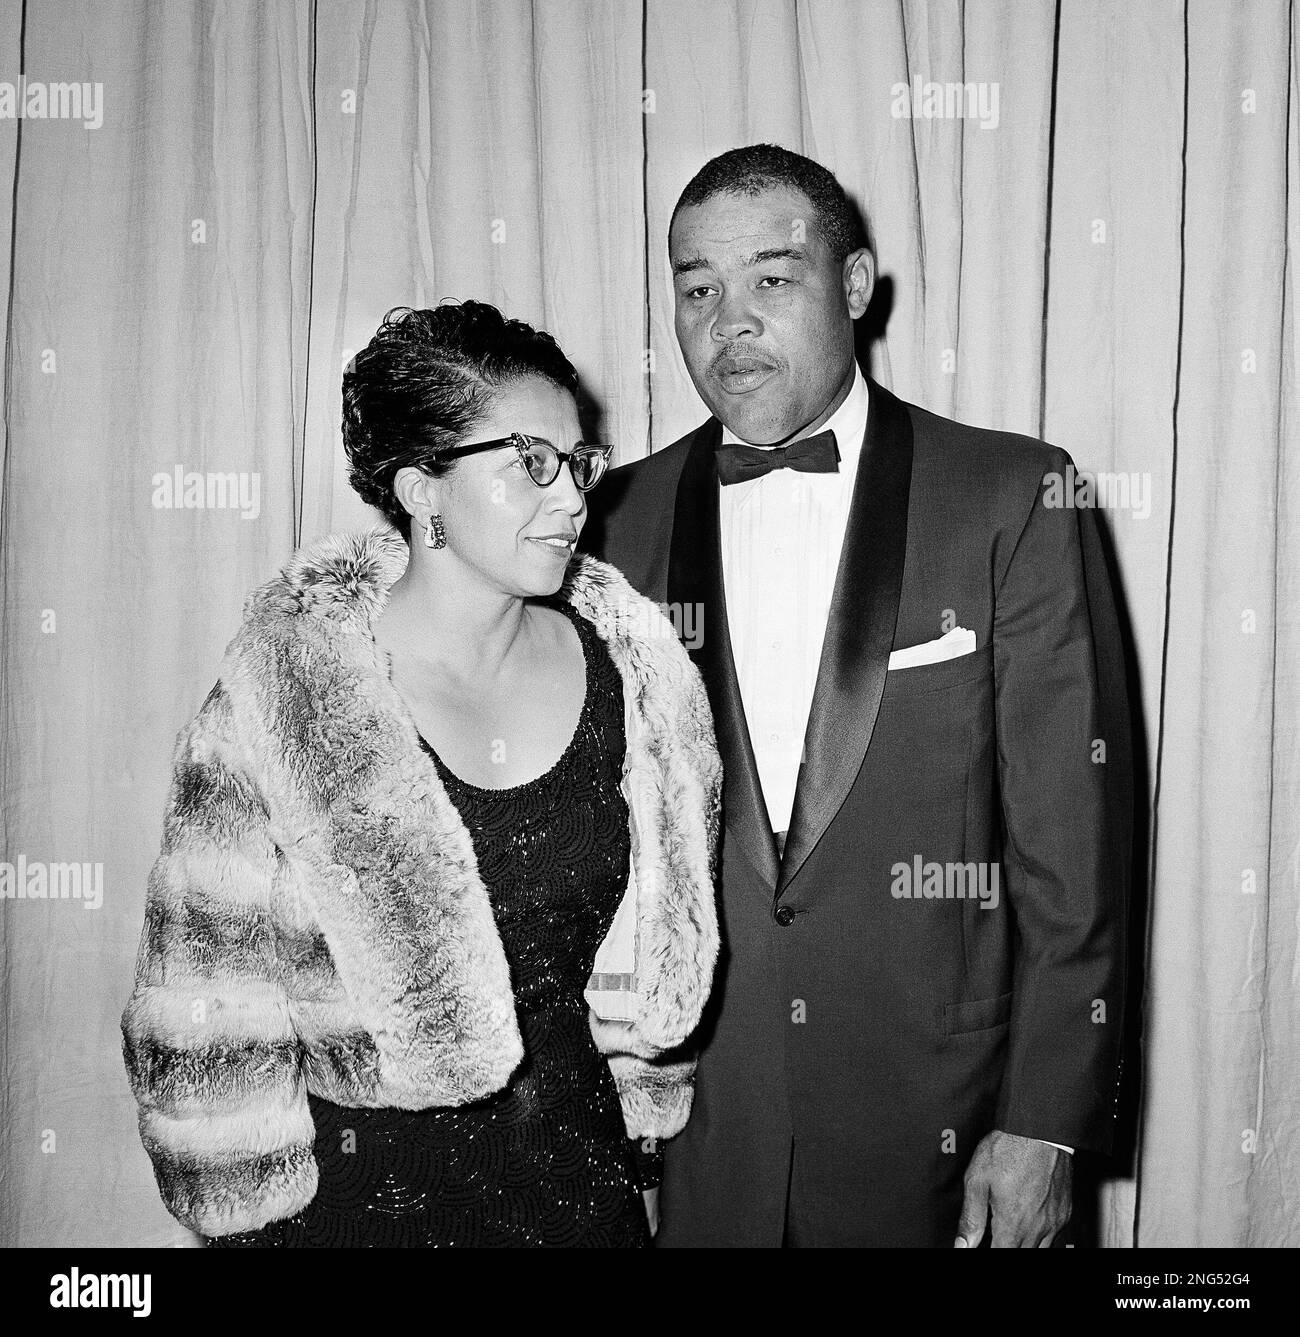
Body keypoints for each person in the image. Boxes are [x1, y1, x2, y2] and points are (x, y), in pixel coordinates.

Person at [584, 144, 1132, 1248]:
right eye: (696, 288)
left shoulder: (1015, 495)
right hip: (698, 1138)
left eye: (770, 279)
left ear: (855, 283)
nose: (727, 319)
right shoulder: (607, 521)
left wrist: (1044, 1125)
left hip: (944, 1129)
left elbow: (1076, 851)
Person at [121, 301, 721, 1247]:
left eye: (579, 463)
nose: (573, 498)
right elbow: (202, 1012)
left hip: (582, 1197)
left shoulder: (638, 685)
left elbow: (649, 969)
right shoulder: (277, 707)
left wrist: (640, 1162)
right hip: (354, 1216)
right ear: (421, 488)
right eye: (531, 462)